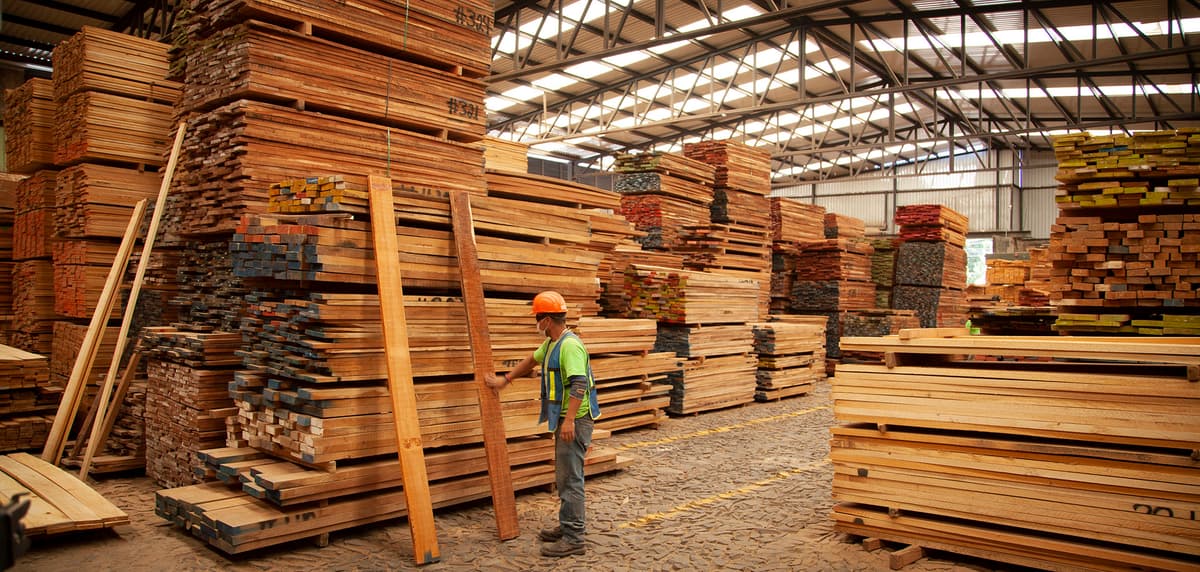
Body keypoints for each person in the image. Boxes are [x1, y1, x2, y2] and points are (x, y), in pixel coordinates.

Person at [485, 291, 601, 558]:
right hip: (565, 419)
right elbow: (531, 359)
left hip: (575, 420)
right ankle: (567, 525)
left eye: (538, 319)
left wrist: (569, 420)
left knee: (570, 478)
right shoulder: (552, 343)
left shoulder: (569, 346)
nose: (535, 323)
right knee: (564, 476)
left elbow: (579, 384)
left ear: (547, 320)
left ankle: (574, 538)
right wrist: (506, 379)